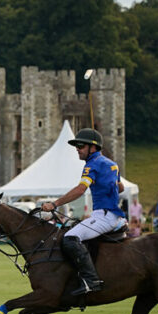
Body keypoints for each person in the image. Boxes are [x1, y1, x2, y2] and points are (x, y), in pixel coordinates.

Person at [41, 127, 123, 298]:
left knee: (69, 239)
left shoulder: (92, 165)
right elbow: (120, 187)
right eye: (77, 146)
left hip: (104, 216)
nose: (77, 149)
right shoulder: (111, 164)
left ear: (93, 148)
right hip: (113, 214)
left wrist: (55, 204)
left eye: (81, 146)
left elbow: (80, 190)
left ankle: (91, 280)